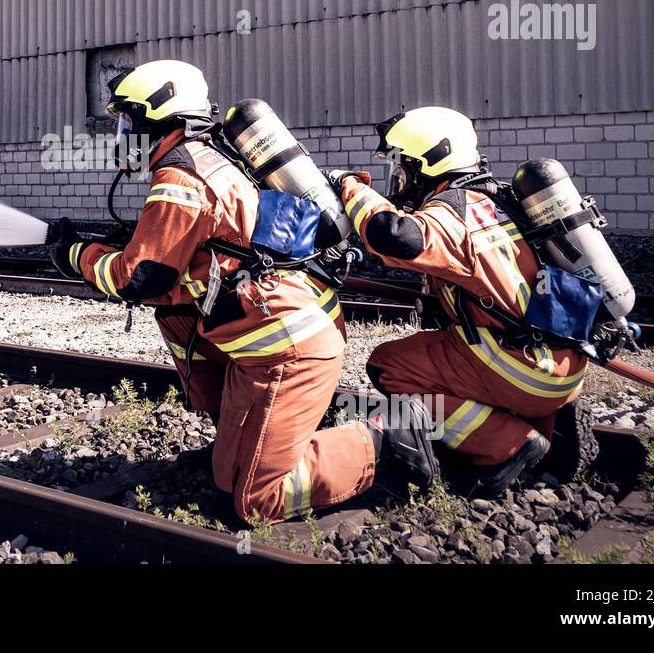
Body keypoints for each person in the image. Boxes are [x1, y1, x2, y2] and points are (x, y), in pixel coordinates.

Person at [47, 60, 436, 523]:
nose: (123, 133)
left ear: (158, 119)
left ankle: (386, 438)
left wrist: (73, 254)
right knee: (223, 471)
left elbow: (137, 279)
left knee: (255, 501)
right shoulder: (213, 157)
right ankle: (243, 438)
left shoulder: (180, 176)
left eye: (129, 121)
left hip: (289, 346)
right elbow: (186, 261)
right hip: (285, 331)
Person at [328, 107, 594, 498]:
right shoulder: (499, 200)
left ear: (428, 164)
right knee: (448, 347)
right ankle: (550, 428)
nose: (398, 181)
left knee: (388, 365)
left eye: (402, 169)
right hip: (565, 365)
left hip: (521, 369)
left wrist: (350, 186)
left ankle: (506, 444)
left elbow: (393, 235)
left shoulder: (453, 211)